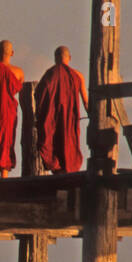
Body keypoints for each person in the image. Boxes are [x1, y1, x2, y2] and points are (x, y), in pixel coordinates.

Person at [34, 45, 88, 173]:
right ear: (69, 58)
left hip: (52, 119)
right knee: (69, 145)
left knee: (52, 144)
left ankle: (57, 172)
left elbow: (38, 95)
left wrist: (40, 115)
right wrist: (93, 116)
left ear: (55, 58)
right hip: (70, 120)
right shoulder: (77, 75)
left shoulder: (49, 74)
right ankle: (68, 172)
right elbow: (86, 101)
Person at [0, 40, 25, 177]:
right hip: (8, 112)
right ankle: (4, 174)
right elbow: (18, 92)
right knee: (6, 140)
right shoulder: (18, 72)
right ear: (12, 53)